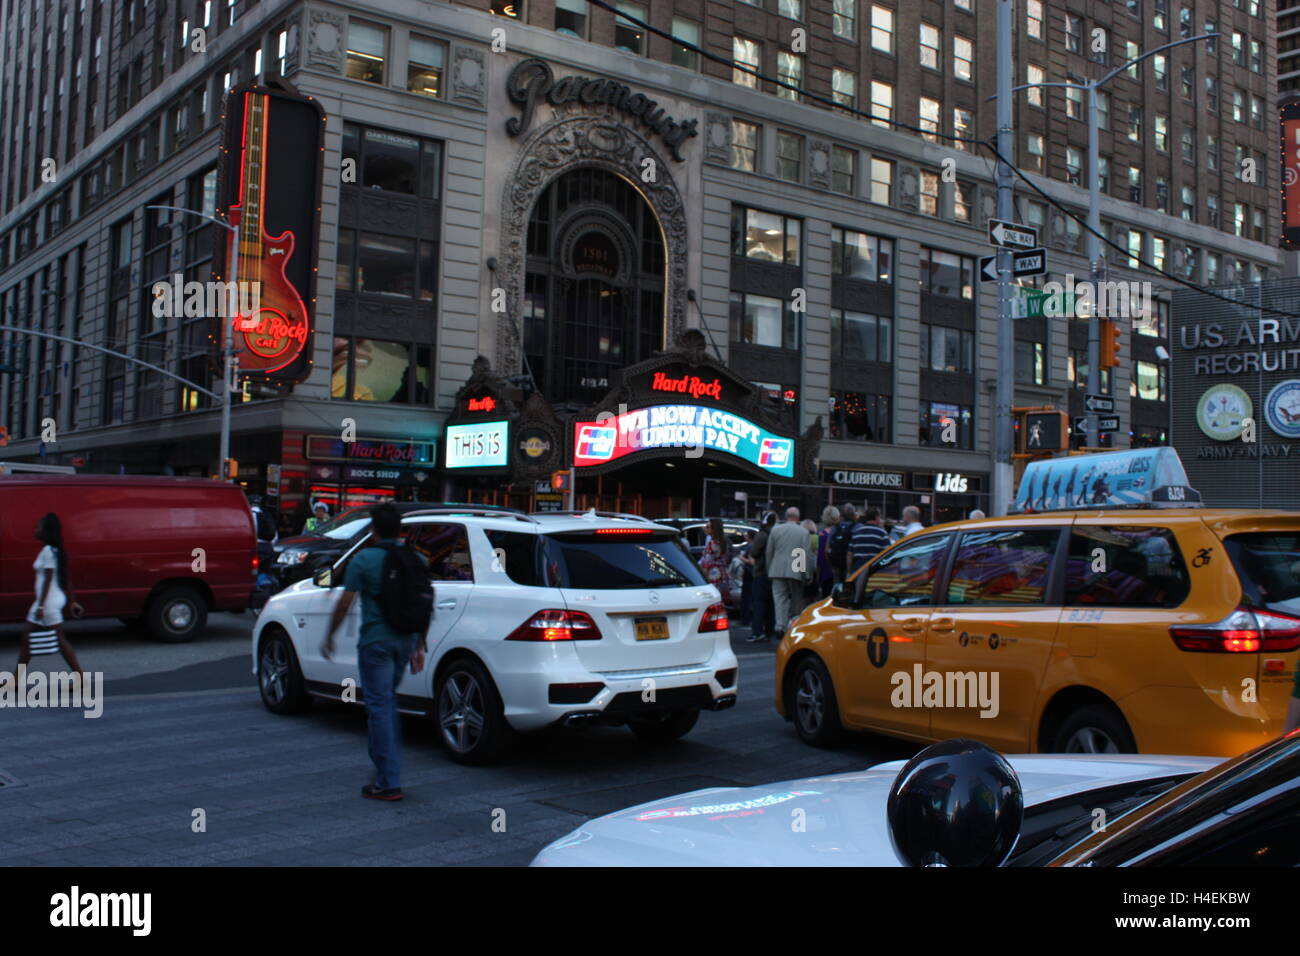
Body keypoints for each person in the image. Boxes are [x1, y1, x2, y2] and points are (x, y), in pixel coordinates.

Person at [322, 503, 427, 801]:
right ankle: (384, 769)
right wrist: (419, 644)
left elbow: (345, 603)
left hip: (376, 643)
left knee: (379, 708)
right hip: (405, 641)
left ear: (373, 530)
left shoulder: (364, 559)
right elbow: (424, 603)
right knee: (387, 704)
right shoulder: (416, 558)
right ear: (400, 530)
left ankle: (388, 780)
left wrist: (329, 636)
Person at [16, 513, 85, 674]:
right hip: (49, 600)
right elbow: (65, 578)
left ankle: (80, 676)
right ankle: (16, 679)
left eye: (38, 526)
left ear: (46, 530)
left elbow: (48, 580)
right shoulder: (54, 550)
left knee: (57, 640)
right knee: (29, 639)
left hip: (47, 602)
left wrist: (40, 606)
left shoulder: (48, 551)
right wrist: (72, 601)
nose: (35, 529)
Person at [766, 507, 810, 641]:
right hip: (795, 567)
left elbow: (769, 552)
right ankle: (793, 624)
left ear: (786, 516)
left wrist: (769, 569)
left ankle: (780, 625)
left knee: (779, 599)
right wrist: (806, 574)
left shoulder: (775, 530)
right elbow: (805, 554)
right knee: (796, 599)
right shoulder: (803, 532)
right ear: (798, 518)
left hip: (777, 568)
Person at [744, 512, 777, 642]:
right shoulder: (776, 534)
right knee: (771, 604)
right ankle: (770, 631)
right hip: (774, 573)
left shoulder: (762, 534)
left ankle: (757, 632)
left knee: (758, 604)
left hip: (761, 572)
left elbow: (754, 552)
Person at [697, 517, 732, 606]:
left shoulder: (712, 543)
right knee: (720, 602)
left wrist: (702, 578)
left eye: (708, 526)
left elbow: (707, 564)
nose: (705, 528)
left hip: (713, 576)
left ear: (713, 529)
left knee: (712, 602)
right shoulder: (724, 541)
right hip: (722, 575)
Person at [849, 508, 890, 575]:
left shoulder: (856, 533)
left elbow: (849, 554)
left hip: (858, 569)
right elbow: (888, 553)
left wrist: (849, 571)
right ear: (876, 518)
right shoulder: (882, 533)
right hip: (874, 569)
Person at [827, 503, 857, 588]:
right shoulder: (857, 527)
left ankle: (834, 599)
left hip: (836, 562)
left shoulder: (835, 528)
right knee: (850, 586)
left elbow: (827, 549)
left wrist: (831, 563)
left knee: (836, 584)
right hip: (852, 564)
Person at [817, 506, 840, 599]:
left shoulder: (821, 535)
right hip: (838, 570)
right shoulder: (840, 532)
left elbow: (819, 556)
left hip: (825, 571)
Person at [800, 518, 821, 606]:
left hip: (803, 568)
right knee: (814, 596)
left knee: (803, 596)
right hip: (815, 568)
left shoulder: (801, 538)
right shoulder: (817, 537)